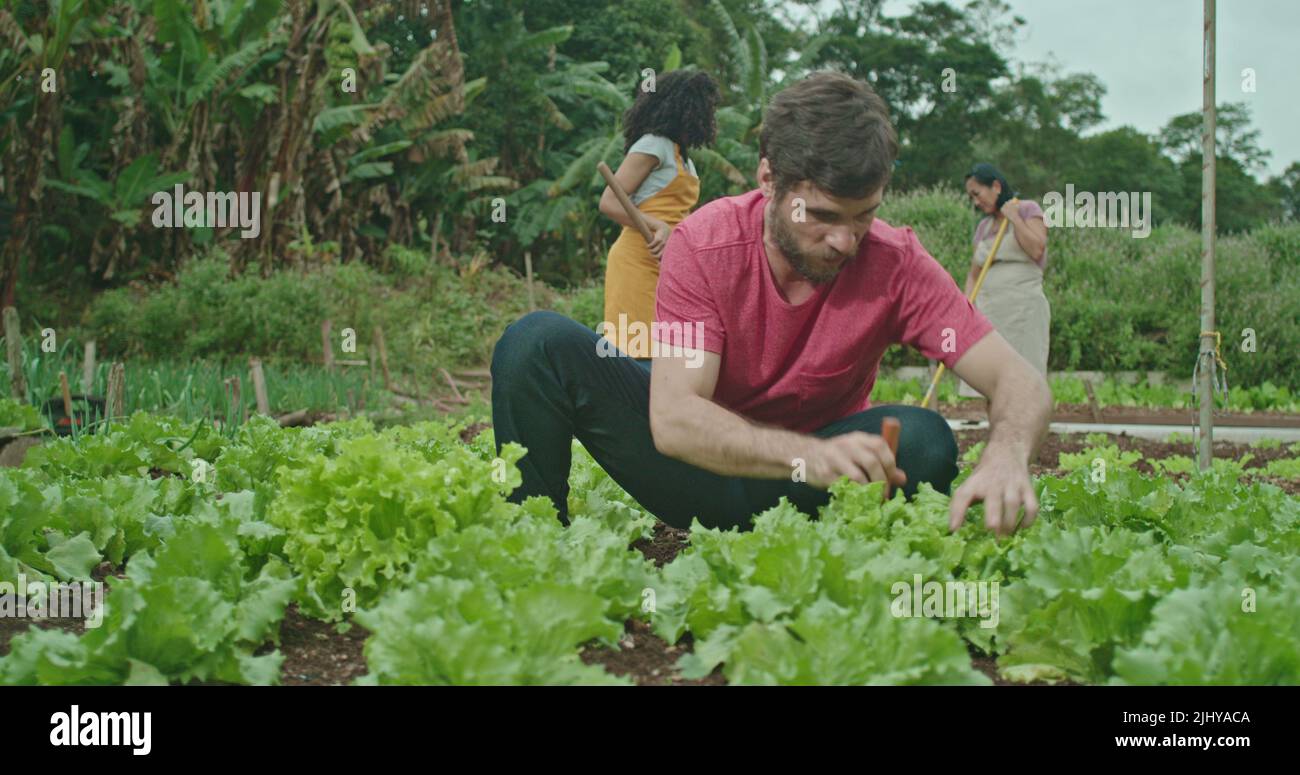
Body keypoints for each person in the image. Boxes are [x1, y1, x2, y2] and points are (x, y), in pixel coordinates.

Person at [492, 71, 1052, 538]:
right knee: (535, 343)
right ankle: (534, 544)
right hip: (693, 474)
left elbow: (1018, 381)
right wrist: (798, 453)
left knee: (925, 439)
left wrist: (1006, 452)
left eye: (863, 215)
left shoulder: (894, 261)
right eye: (825, 216)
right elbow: (675, 419)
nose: (845, 240)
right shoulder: (704, 245)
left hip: (812, 487)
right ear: (769, 179)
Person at [598, 69, 719, 359]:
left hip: (667, 264)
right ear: (685, 106)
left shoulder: (682, 156)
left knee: (669, 354)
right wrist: (659, 226)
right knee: (637, 355)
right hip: (638, 260)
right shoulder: (653, 144)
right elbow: (609, 202)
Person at [958, 164, 1050, 409]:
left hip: (1023, 309)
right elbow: (974, 273)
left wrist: (1014, 218)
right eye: (971, 197)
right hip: (990, 311)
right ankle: (997, 435)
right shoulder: (983, 228)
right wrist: (967, 307)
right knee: (992, 380)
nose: (975, 202)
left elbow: (1036, 248)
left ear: (996, 186)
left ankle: (1025, 439)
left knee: (1025, 378)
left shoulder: (1028, 209)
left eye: (977, 194)